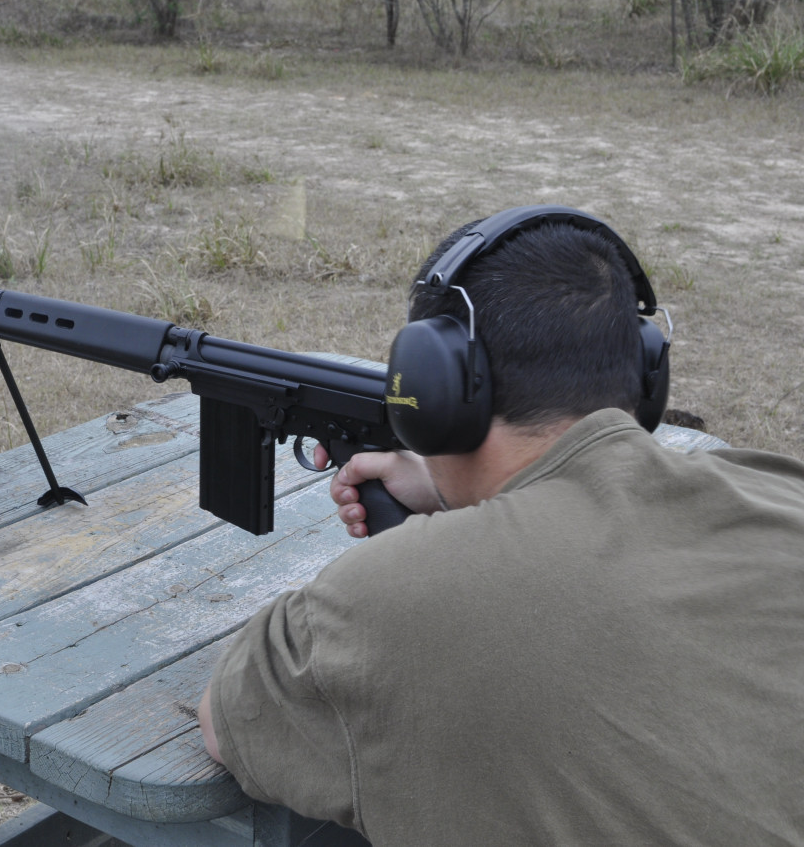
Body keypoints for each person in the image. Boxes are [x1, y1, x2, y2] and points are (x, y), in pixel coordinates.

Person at [197, 206, 804, 846]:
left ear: (434, 390)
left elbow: (225, 718)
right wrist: (461, 492)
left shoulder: (390, 597)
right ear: (646, 371)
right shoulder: (780, 494)